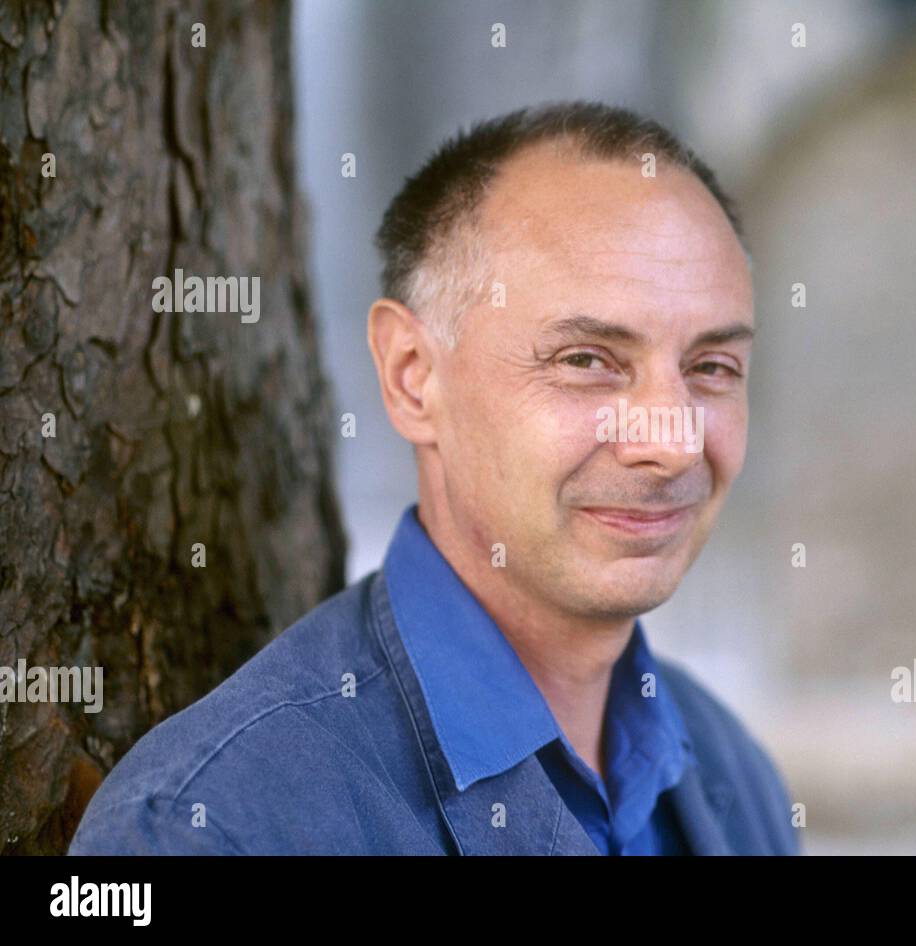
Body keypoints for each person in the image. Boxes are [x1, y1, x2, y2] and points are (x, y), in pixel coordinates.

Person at [69, 100, 799, 855]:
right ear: (414, 378)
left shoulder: (730, 773)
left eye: (712, 368)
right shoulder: (210, 826)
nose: (673, 443)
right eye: (586, 362)